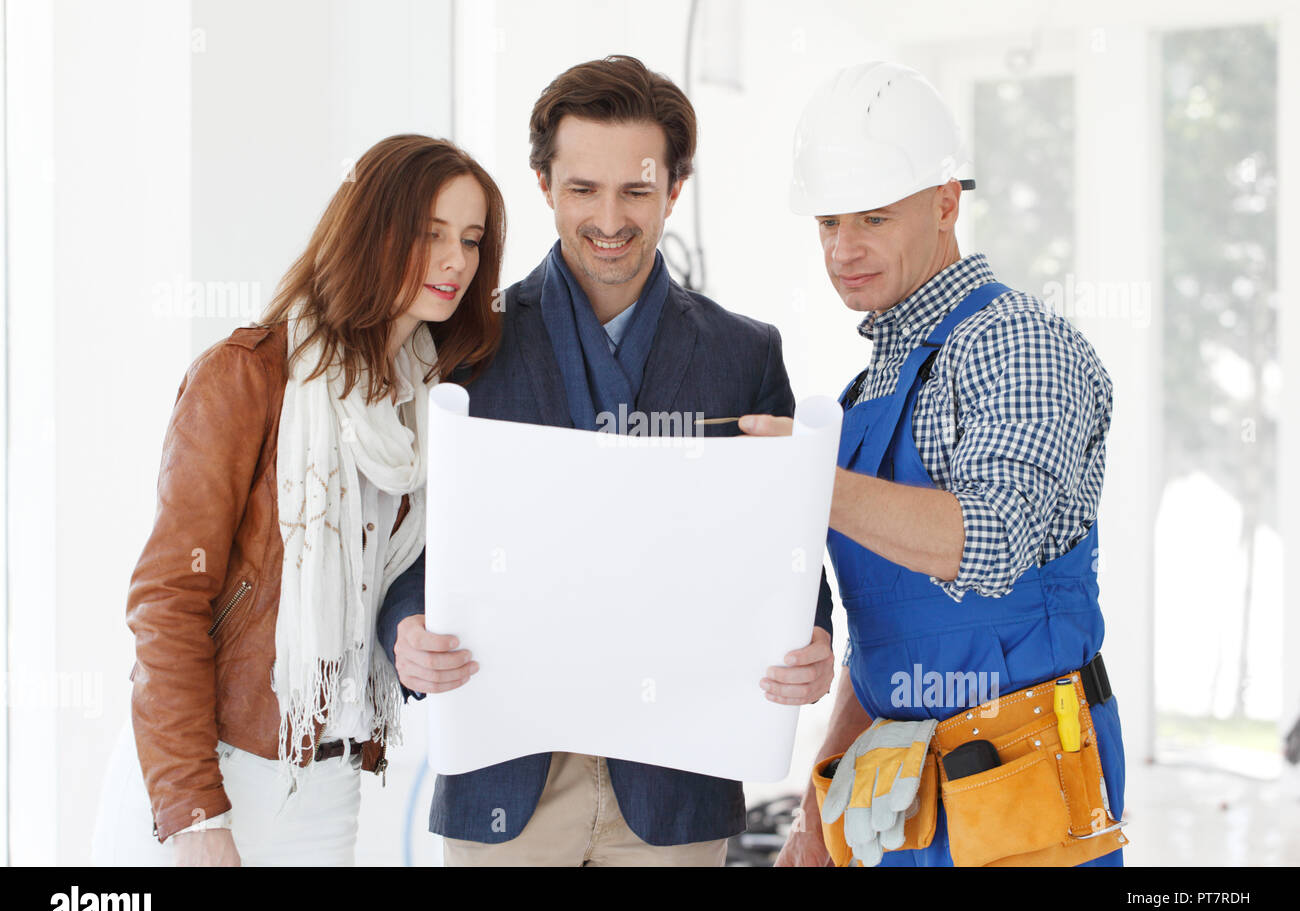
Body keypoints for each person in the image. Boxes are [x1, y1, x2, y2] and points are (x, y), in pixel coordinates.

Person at [377, 55, 836, 867]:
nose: (610, 219)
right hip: (506, 775)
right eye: (584, 189)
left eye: (637, 190)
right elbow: (408, 535)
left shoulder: (743, 353)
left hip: (676, 781)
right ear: (545, 186)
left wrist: (816, 637)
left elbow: (785, 540)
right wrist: (404, 628)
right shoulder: (466, 341)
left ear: (676, 190)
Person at [742, 61, 1127, 867]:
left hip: (1026, 789)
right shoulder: (865, 390)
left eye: (873, 218)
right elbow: (878, 644)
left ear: (946, 202)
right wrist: (813, 826)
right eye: (826, 223)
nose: (843, 250)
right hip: (901, 796)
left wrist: (806, 477)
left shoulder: (1016, 343)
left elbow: (984, 543)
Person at [120, 134, 505, 866]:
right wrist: (193, 812)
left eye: (472, 239)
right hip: (222, 772)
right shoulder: (248, 376)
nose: (457, 260)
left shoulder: (429, 405)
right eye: (430, 234)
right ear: (372, 230)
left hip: (332, 780)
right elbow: (167, 599)